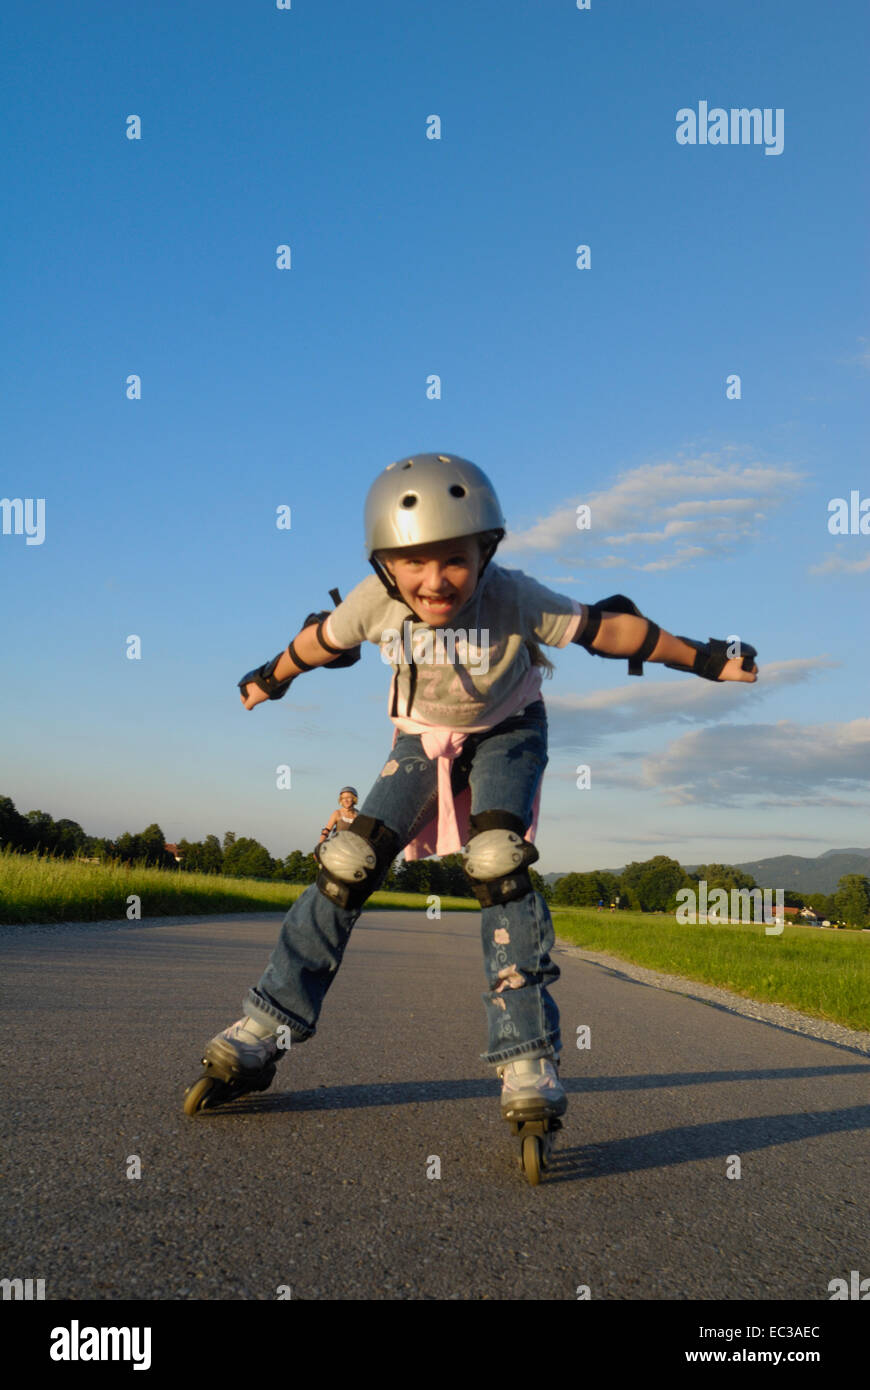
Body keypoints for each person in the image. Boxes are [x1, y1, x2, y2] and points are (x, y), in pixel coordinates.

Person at [187, 452, 757, 1143]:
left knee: (496, 861)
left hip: (511, 730)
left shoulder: (514, 596)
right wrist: (268, 678)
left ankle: (527, 1060)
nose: (435, 581)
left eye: (454, 559)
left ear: (485, 550)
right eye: (414, 564)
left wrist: (704, 657)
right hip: (421, 740)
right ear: (383, 565)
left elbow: (609, 629)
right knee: (348, 863)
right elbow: (317, 644)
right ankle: (265, 1028)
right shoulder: (375, 606)